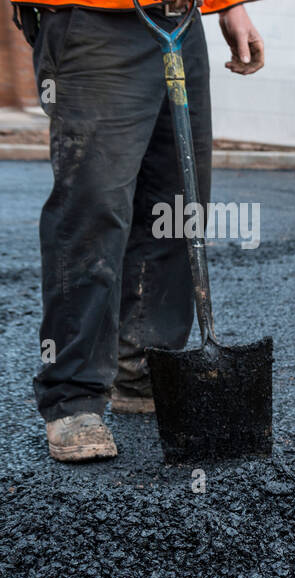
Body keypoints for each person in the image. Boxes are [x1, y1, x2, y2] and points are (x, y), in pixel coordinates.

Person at [12, 0, 264, 462]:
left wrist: (229, 5)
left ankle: (144, 365)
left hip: (179, 18)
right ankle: (74, 396)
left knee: (175, 204)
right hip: (93, 21)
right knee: (93, 207)